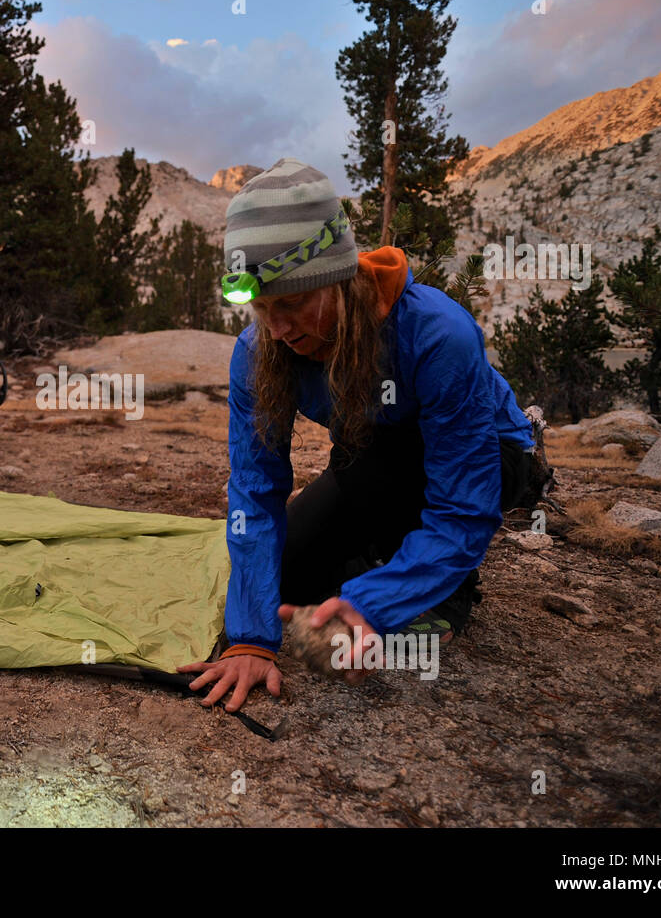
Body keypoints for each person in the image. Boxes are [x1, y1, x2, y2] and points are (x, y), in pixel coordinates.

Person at [180, 159, 540, 710]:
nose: (277, 329)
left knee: (387, 478)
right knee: (289, 578)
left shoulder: (437, 334)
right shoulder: (258, 351)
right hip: (369, 458)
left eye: (292, 303)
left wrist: (372, 606)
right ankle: (387, 563)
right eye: (262, 308)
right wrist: (250, 637)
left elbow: (462, 505)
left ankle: (446, 591)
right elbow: (254, 489)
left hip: (490, 457)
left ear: (337, 280)